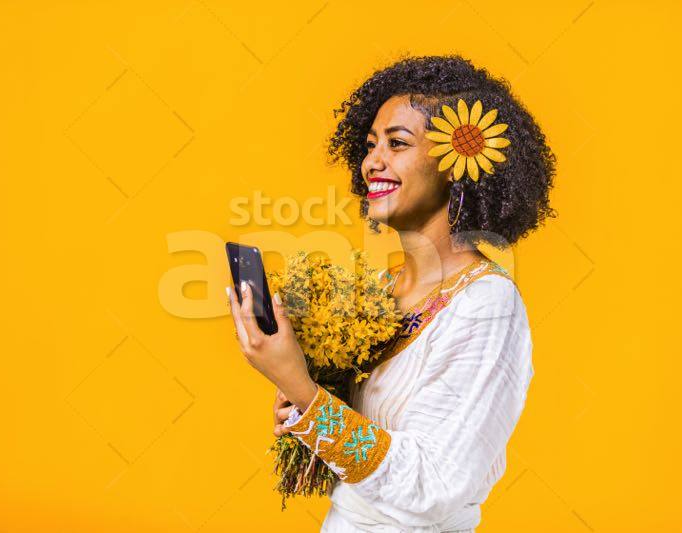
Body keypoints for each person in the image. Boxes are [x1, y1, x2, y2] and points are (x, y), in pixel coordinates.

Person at [227, 54, 556, 532]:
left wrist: (303, 389)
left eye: (397, 143)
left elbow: (430, 487)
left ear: (457, 161)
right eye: (369, 145)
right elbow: (361, 456)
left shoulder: (487, 308)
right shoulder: (380, 292)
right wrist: (303, 397)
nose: (372, 163)